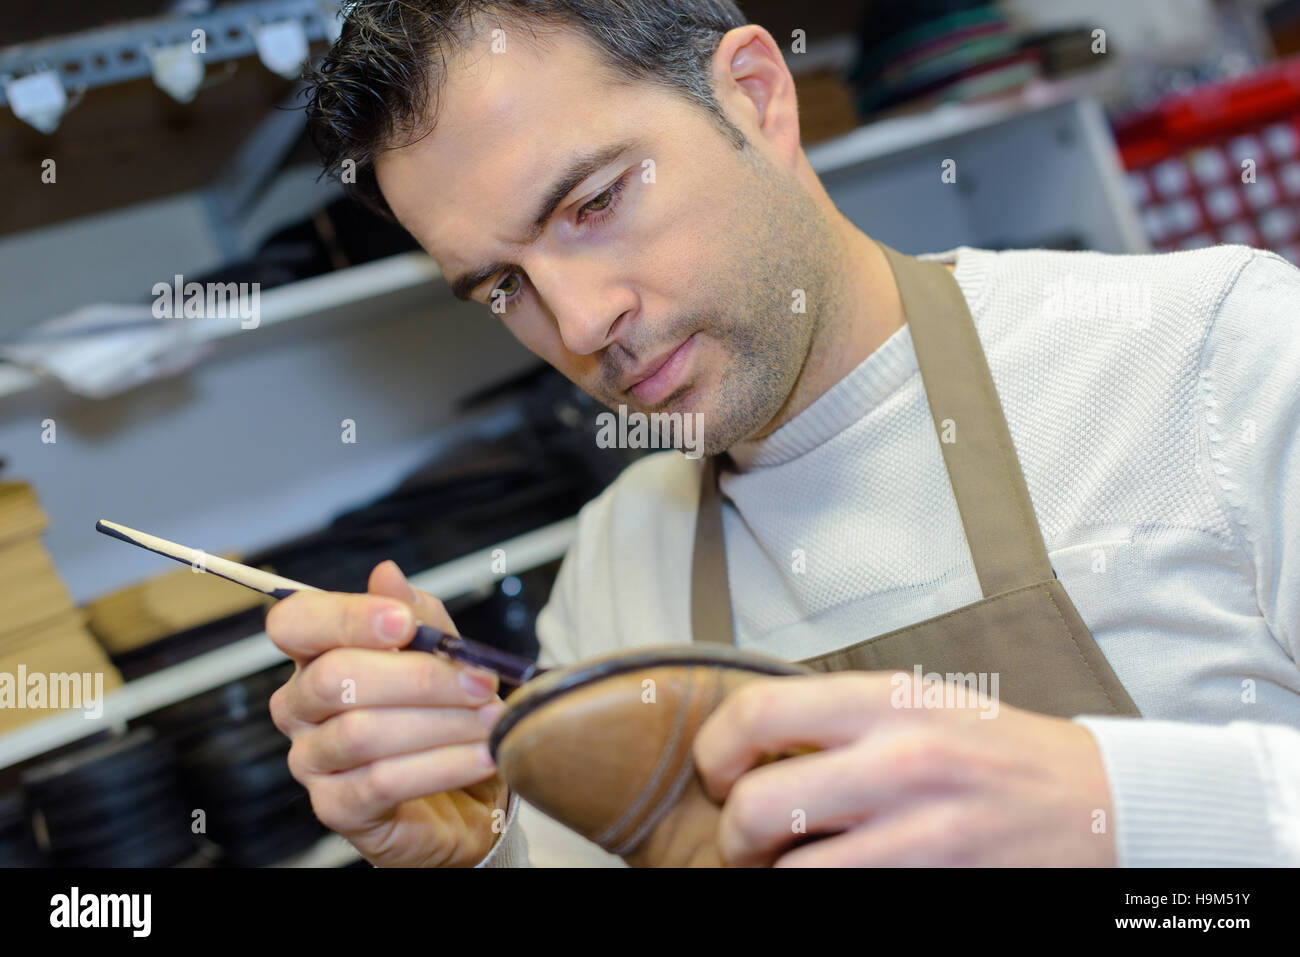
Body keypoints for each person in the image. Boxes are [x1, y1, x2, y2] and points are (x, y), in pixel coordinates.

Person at [265, 0, 1300, 867]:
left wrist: (1115, 805)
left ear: (754, 99)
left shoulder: (1209, 355)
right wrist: (489, 851)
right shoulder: (618, 574)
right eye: (502, 287)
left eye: (593, 202)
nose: (579, 326)